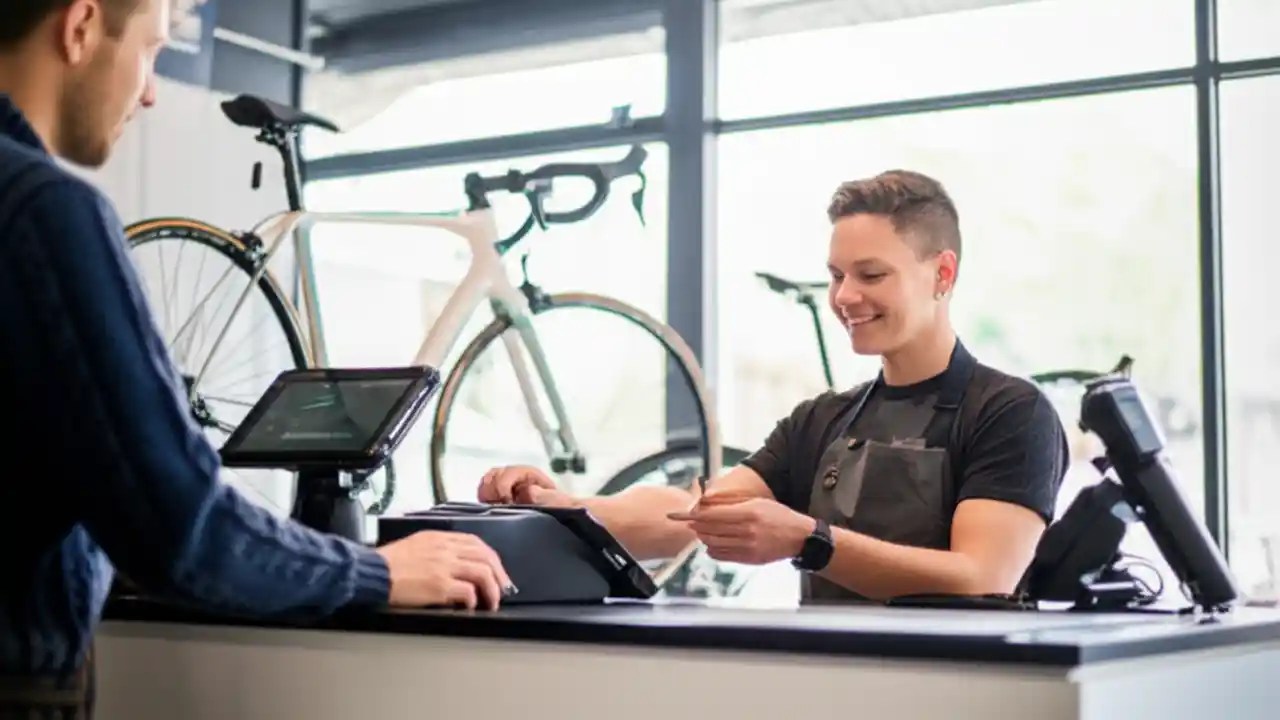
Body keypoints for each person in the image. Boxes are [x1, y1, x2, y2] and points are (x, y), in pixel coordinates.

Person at [0, 1, 511, 715]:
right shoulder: (45, 209)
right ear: (80, 25)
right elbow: (181, 529)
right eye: (149, 50)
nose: (149, 92)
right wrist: (376, 572)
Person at [480, 169, 1069, 603]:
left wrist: (811, 542)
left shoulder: (1010, 412)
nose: (845, 297)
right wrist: (563, 508)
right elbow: (693, 513)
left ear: (942, 273)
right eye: (836, 275)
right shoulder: (821, 421)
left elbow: (981, 578)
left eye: (871, 275)